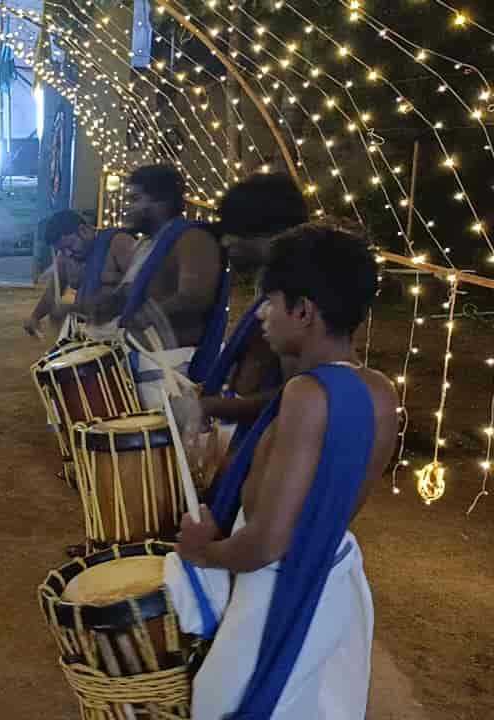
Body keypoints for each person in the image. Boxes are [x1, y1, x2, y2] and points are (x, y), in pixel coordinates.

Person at [176, 222, 397, 718]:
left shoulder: (306, 394)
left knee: (228, 704)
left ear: (304, 311)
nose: (260, 317)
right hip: (328, 575)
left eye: (269, 302)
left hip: (276, 588)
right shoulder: (381, 391)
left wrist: (201, 552)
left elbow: (268, 542)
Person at [181, 173, 310, 484]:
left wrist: (213, 406)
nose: (225, 242)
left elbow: (297, 395)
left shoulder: (296, 296)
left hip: (266, 460)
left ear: (270, 233)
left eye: (236, 232)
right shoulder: (271, 285)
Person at [83, 164, 228, 409]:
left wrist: (140, 317)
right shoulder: (147, 245)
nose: (127, 206)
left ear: (162, 201)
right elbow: (130, 294)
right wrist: (87, 309)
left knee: (175, 444)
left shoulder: (192, 238)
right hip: (146, 360)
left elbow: (194, 297)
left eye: (135, 198)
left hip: (177, 366)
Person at [24, 210, 137, 343]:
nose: (68, 253)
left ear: (83, 230)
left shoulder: (118, 243)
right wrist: (35, 316)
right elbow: (53, 291)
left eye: (70, 246)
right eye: (62, 250)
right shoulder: (66, 257)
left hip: (120, 335)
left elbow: (139, 289)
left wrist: (73, 308)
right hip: (85, 332)